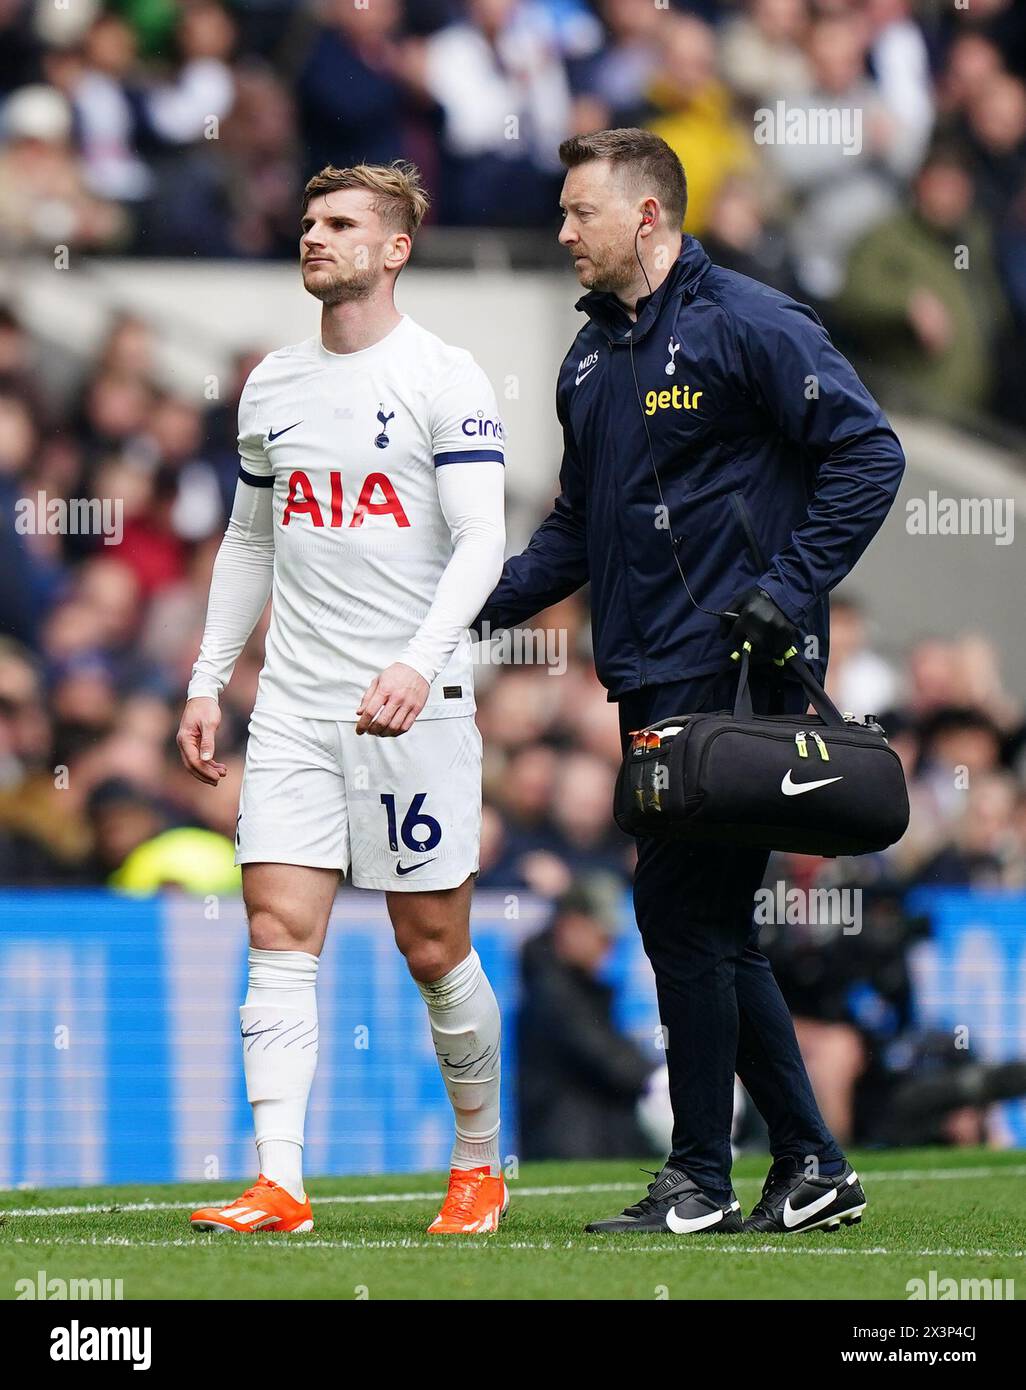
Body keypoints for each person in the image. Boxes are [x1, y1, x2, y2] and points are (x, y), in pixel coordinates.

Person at [475, 128, 905, 1235]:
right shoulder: (588, 359)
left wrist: (788, 586)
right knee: (704, 922)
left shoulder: (749, 322)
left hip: (736, 676)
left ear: (648, 216)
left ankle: (703, 1178)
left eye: (580, 212)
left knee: (683, 913)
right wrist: (477, 610)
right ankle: (808, 1161)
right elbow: (576, 527)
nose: (563, 232)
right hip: (650, 676)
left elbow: (871, 453)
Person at [177, 161, 508, 1235]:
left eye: (340, 224)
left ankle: (477, 1162)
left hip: (415, 706)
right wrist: (207, 676)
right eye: (309, 222)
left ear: (395, 247)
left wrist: (417, 660)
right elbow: (248, 540)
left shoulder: (445, 376)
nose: (314, 237)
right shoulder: (271, 383)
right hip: (297, 708)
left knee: (430, 944)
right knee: (278, 926)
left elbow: (483, 539)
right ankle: (281, 1181)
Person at [518, 873, 652, 1159]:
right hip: (566, 1145)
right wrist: (669, 1080)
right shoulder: (553, 992)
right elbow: (610, 1060)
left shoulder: (567, 985)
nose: (609, 949)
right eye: (603, 938)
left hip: (581, 1138)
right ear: (570, 927)